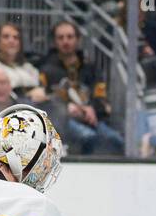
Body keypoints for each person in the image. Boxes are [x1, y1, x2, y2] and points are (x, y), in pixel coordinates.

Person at [37, 19, 121, 154]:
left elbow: (101, 97)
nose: (66, 41)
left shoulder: (91, 68)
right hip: (63, 122)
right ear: (54, 41)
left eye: (70, 37)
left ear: (78, 39)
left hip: (93, 119)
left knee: (116, 140)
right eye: (61, 37)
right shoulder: (45, 69)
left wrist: (92, 108)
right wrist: (67, 108)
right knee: (88, 137)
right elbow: (43, 100)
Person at [0, 22, 43, 97]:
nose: (11, 41)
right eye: (6, 37)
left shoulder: (27, 67)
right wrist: (28, 97)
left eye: (16, 37)